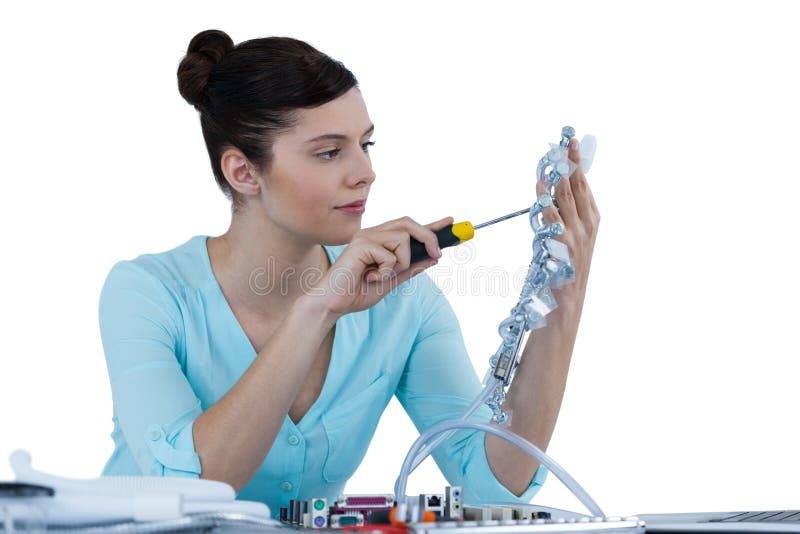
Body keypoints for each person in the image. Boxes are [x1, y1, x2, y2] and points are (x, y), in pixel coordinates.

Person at [97, 29, 600, 518]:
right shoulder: (146, 293)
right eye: (330, 152)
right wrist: (318, 310)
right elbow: (187, 489)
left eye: (367, 144)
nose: (365, 171)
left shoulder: (406, 303)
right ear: (243, 172)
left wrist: (565, 290)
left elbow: (494, 483)